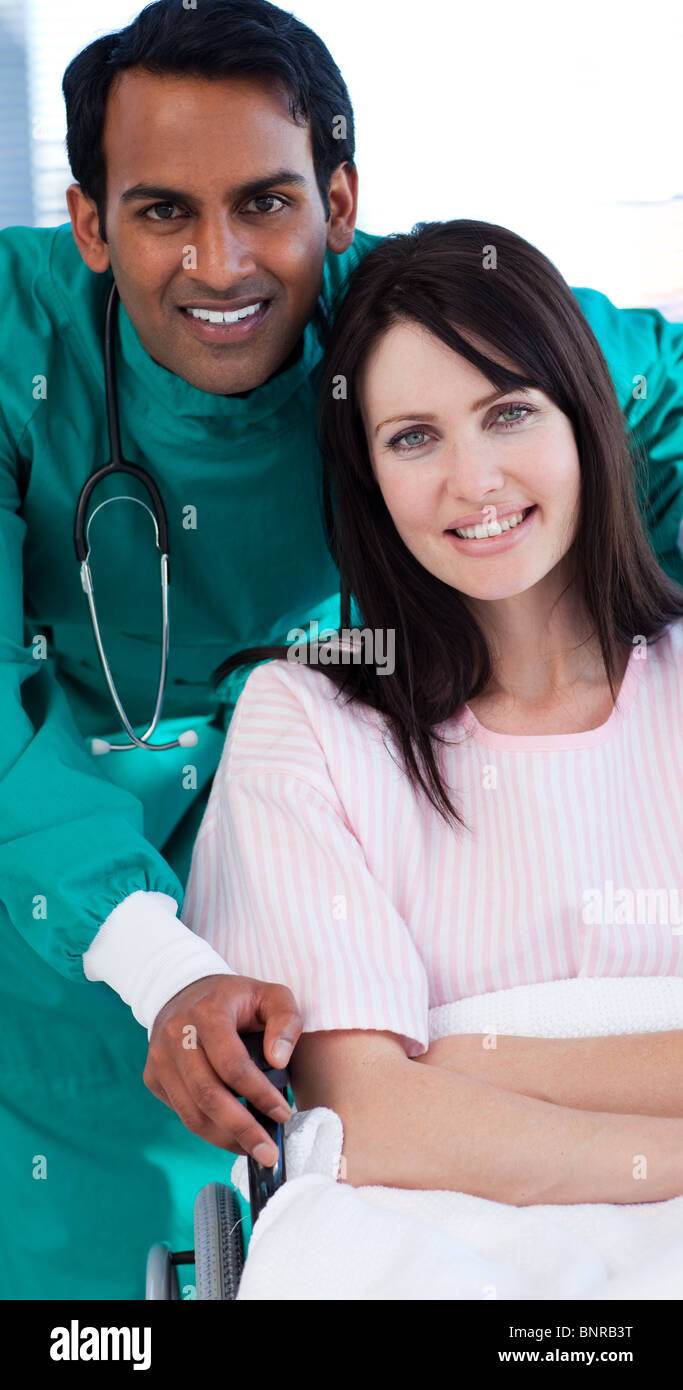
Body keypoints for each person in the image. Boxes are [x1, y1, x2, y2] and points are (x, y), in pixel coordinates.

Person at [0, 0, 681, 1299]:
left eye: (264, 203)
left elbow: (636, 408)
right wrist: (156, 957)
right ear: (90, 221)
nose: (219, 261)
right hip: (52, 906)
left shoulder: (434, 338)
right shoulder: (13, 352)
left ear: (339, 197)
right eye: (160, 212)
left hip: (366, 902)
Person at [183, 219, 683, 1207]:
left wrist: (461, 1058)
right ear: (368, 480)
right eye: (413, 437)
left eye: (507, 413)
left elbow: (405, 1096)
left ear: (581, 416)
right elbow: (362, 1115)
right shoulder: (303, 721)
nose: (473, 481)